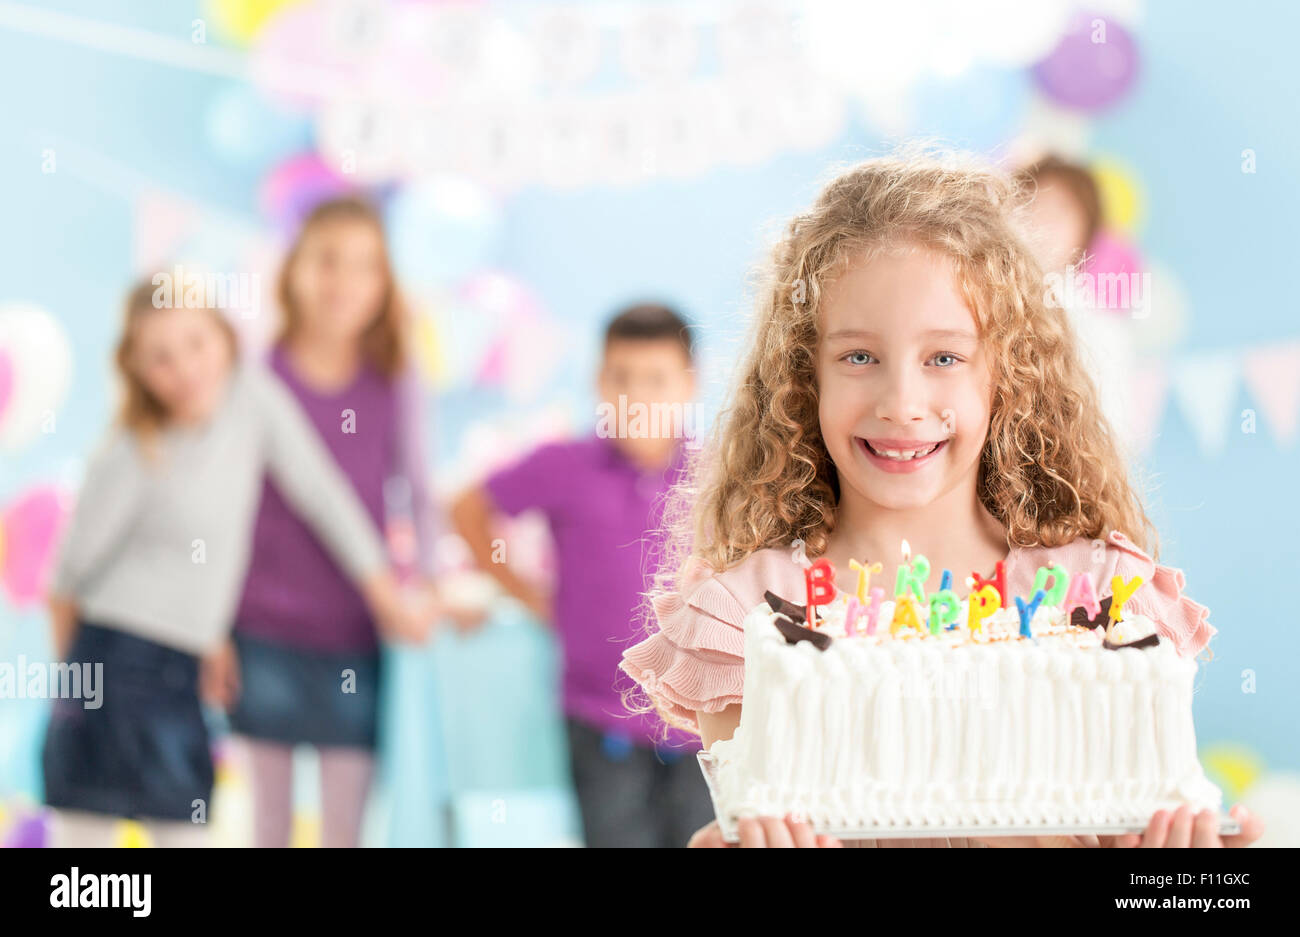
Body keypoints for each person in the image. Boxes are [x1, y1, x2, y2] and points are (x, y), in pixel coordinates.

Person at [620, 148, 1265, 849]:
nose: (902, 403)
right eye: (859, 356)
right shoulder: (751, 618)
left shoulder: (1107, 598)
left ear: (1008, 376)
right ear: (804, 379)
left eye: (944, 358)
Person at [43, 280, 434, 847]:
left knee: (187, 829)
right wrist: (76, 690)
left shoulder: (253, 398)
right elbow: (66, 583)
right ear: (137, 371)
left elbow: (321, 493)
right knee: (85, 852)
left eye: (196, 343)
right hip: (110, 658)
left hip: (181, 669)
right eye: (160, 358)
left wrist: (385, 594)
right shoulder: (133, 449)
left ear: (225, 338)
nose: (184, 368)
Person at [205, 197, 455, 848]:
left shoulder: (394, 376)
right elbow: (221, 506)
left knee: (346, 829)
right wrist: (213, 627)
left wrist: (428, 585)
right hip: (261, 628)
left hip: (356, 633)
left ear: (384, 284)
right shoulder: (256, 376)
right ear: (293, 271)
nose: (343, 282)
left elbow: (419, 491)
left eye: (363, 266)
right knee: (270, 827)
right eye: (327, 261)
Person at [451, 303, 714, 847]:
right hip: (601, 721)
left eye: (656, 379)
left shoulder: (719, 475)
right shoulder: (567, 466)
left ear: (690, 385)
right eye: (620, 377)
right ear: (597, 381)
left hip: (702, 728)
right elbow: (467, 510)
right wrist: (524, 593)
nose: (637, 396)